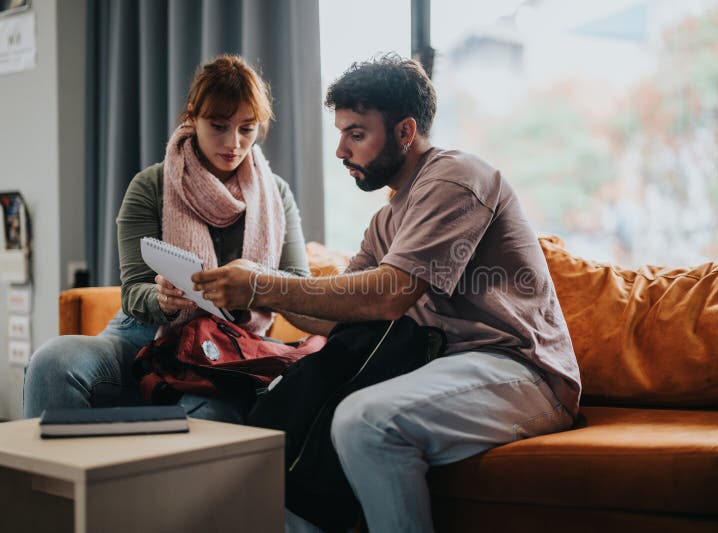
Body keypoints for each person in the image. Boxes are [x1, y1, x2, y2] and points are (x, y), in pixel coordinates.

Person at [193, 53, 582, 532]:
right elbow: (341, 315)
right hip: (442, 368)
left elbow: (389, 294)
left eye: (356, 134)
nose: (340, 150)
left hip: (523, 371)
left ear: (404, 131)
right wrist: (258, 292)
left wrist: (262, 283)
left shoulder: (456, 178)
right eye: (340, 133)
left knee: (366, 420)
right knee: (291, 447)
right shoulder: (387, 219)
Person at [24, 55, 309, 423]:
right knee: (53, 361)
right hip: (142, 337)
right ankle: (57, 481)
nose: (234, 143)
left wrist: (253, 285)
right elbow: (133, 293)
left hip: (227, 349)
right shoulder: (151, 185)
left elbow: (299, 285)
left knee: (212, 413)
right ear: (192, 116)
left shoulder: (277, 194)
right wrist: (163, 300)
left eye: (247, 128)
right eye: (219, 126)